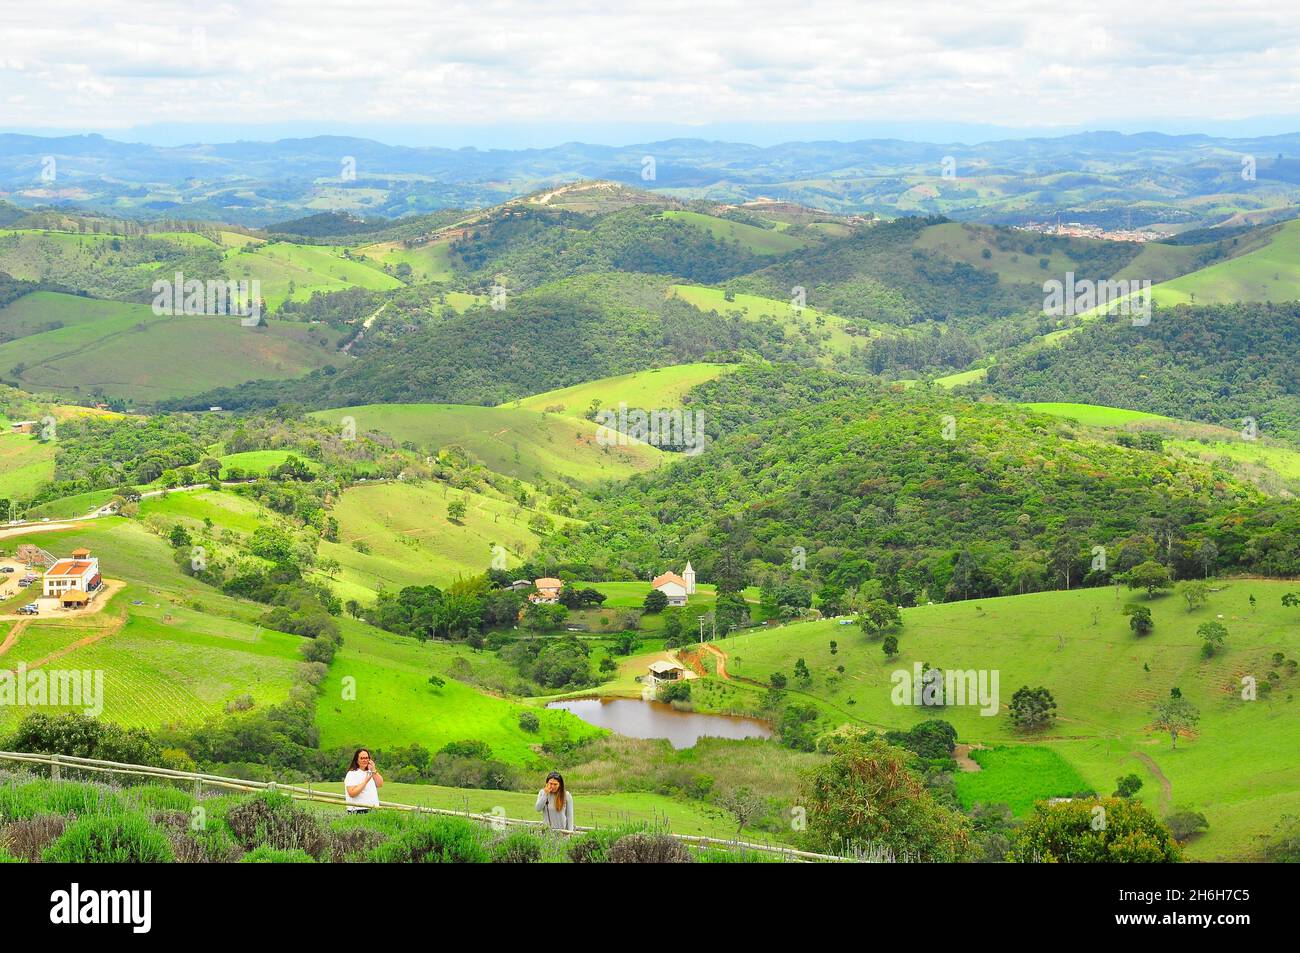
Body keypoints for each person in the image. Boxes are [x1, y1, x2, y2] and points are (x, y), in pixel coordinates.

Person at [344, 748, 383, 814]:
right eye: (362, 758)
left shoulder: (370, 772)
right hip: (358, 810)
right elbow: (352, 793)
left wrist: (373, 770)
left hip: (373, 809)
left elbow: (380, 784)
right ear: (357, 760)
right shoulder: (352, 773)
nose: (365, 760)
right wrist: (366, 781)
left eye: (366, 758)